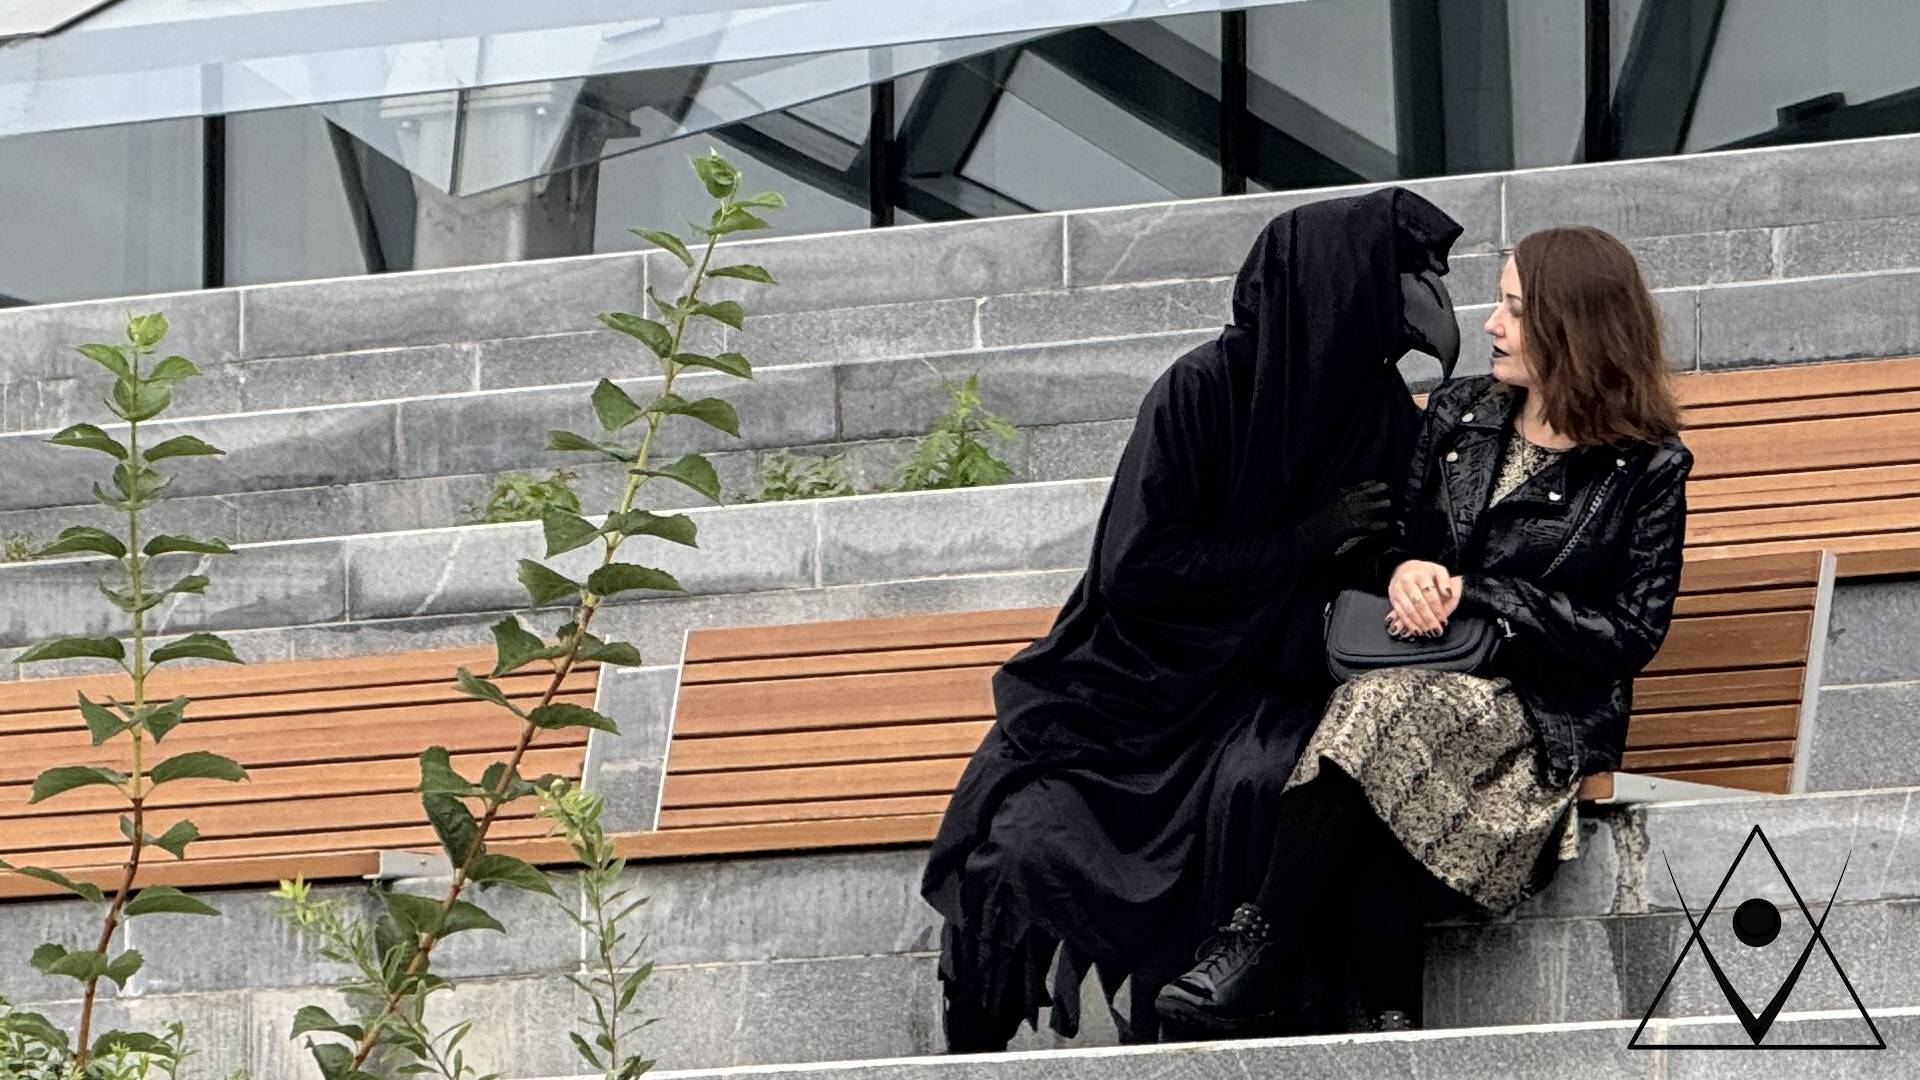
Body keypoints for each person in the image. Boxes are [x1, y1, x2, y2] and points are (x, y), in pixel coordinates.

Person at [920, 186, 1467, 1051]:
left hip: (1270, 689)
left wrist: (1398, 566)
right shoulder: (1204, 389)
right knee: (1026, 839)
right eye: (1402, 273)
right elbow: (1136, 567)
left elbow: (1389, 544)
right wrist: (1301, 541)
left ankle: (1237, 1031)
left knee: (1266, 791)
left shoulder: (1376, 411)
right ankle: (970, 1059)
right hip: (1132, 694)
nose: (1425, 295)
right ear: (1337, 284)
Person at [1153, 225, 1693, 1037]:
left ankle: (1259, 946)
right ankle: (1392, 1020)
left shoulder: (1646, 467)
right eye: (1501, 304)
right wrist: (1403, 568)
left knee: (1375, 716)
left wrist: (1484, 594)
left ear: (1574, 326)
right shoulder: (1459, 413)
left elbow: (1630, 634)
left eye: (1515, 309)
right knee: (1380, 742)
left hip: (1536, 718)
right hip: (1416, 681)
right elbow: (1387, 541)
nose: (1491, 325)